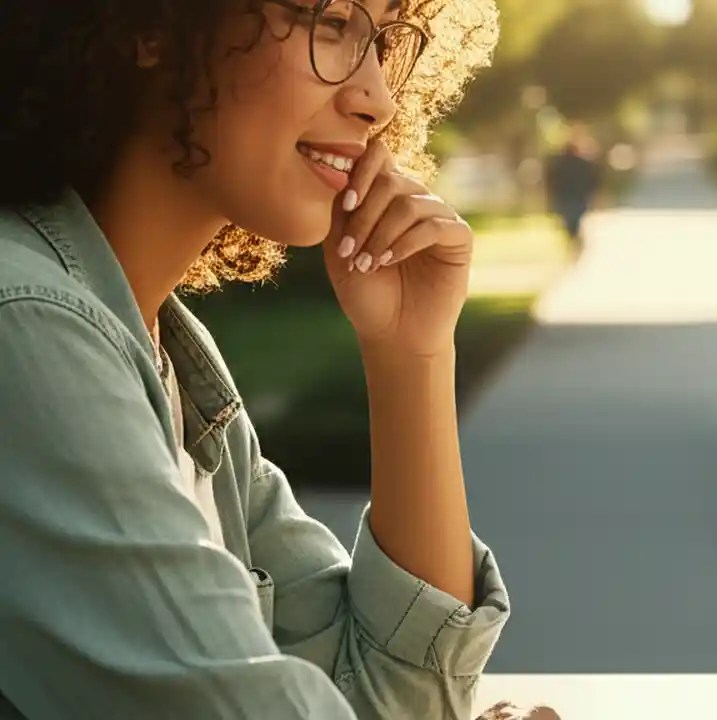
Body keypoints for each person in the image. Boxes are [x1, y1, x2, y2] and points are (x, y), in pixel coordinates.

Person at [0, 2, 547, 718]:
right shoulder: (27, 327)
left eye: (385, 42)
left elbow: (392, 701)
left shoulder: (176, 371)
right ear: (151, 25)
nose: (378, 100)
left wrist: (411, 353)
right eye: (332, 22)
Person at [544, 124, 602, 252]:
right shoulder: (584, 164)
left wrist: (551, 195)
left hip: (564, 197)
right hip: (579, 197)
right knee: (576, 219)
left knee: (568, 220)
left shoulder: (557, 164)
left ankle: (573, 240)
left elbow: (551, 180)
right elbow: (593, 180)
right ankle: (575, 240)